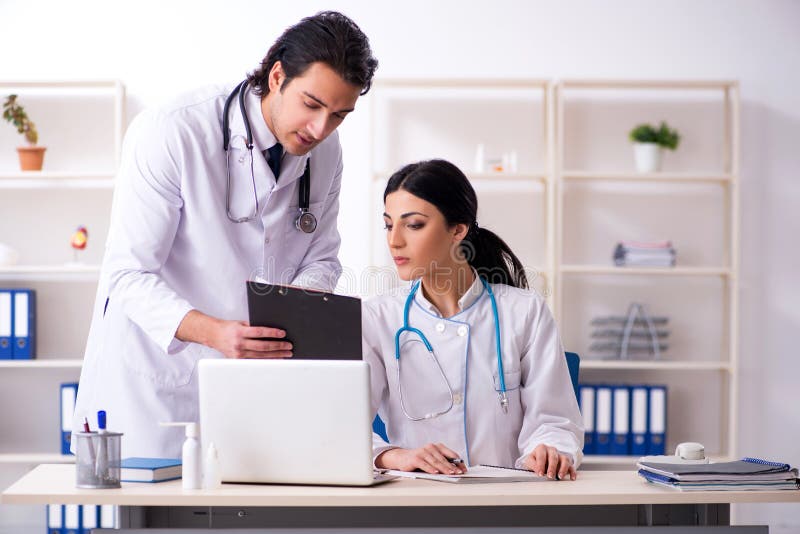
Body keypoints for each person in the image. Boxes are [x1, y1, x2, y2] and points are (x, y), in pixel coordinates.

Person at [72, 11, 378, 458]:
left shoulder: (325, 151)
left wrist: (297, 309)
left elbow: (322, 258)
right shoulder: (173, 131)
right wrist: (214, 332)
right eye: (312, 105)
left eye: (338, 116)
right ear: (277, 76)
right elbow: (127, 275)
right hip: (156, 382)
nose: (320, 129)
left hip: (253, 382)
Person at [363, 159, 583, 481]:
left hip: (507, 496)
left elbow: (555, 420)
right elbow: (343, 428)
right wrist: (397, 456)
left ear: (458, 229)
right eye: (388, 225)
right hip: (414, 498)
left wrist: (548, 450)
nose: (394, 240)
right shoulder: (377, 317)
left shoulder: (524, 312)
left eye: (414, 225)